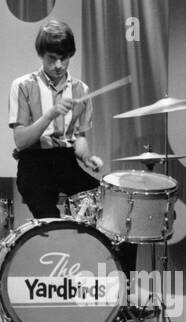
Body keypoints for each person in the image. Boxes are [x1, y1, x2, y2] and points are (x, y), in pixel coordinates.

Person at [8, 20, 136, 276]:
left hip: (66, 162)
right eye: (52, 58)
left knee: (120, 217)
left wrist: (88, 157)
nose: (58, 65)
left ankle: (123, 295)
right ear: (42, 55)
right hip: (34, 163)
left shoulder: (81, 90)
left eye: (64, 59)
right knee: (53, 228)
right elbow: (21, 141)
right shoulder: (23, 86)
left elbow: (78, 138)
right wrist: (49, 115)